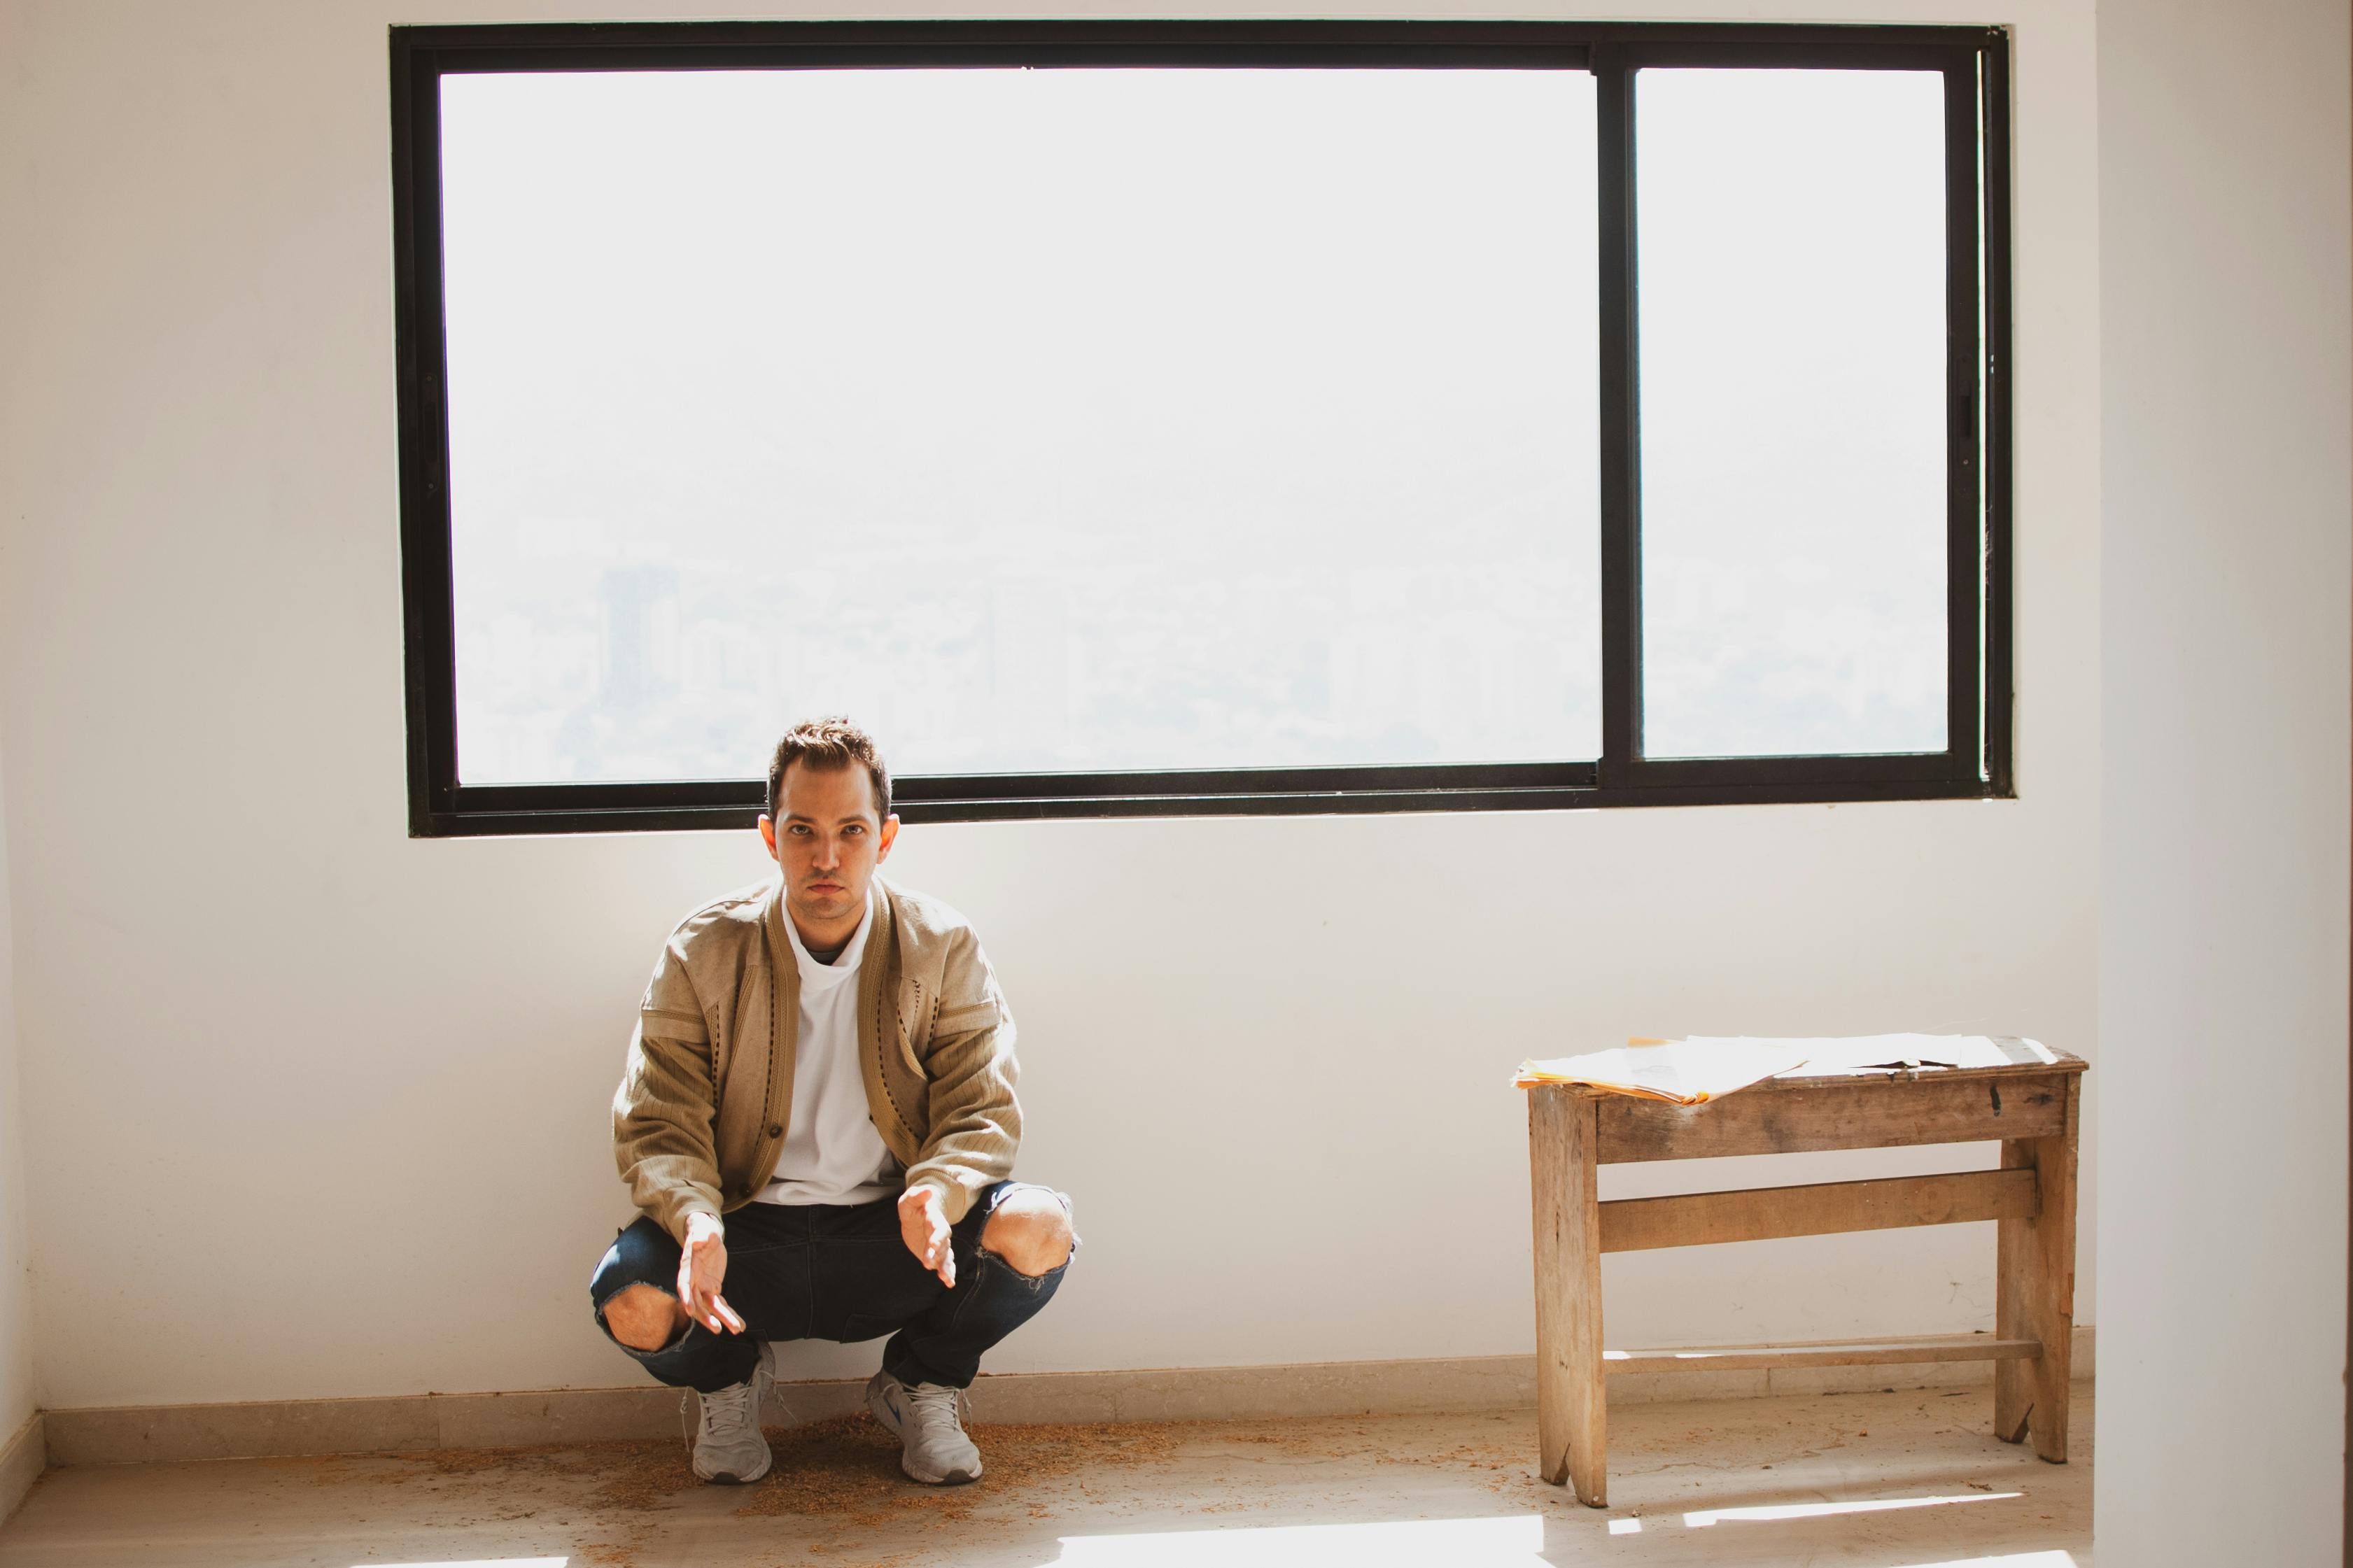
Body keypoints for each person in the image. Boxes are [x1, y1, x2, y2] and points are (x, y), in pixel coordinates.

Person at [590, 716, 1074, 1486]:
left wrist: (936, 1191)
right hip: (747, 1244)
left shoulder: (941, 945)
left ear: (884, 838)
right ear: (768, 836)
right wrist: (696, 1219)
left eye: (850, 830)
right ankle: (727, 1383)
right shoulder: (701, 950)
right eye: (801, 830)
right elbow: (658, 1119)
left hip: (899, 1236)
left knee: (1039, 1228)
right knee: (630, 1300)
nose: (825, 856)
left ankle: (921, 1382)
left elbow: (981, 1106)